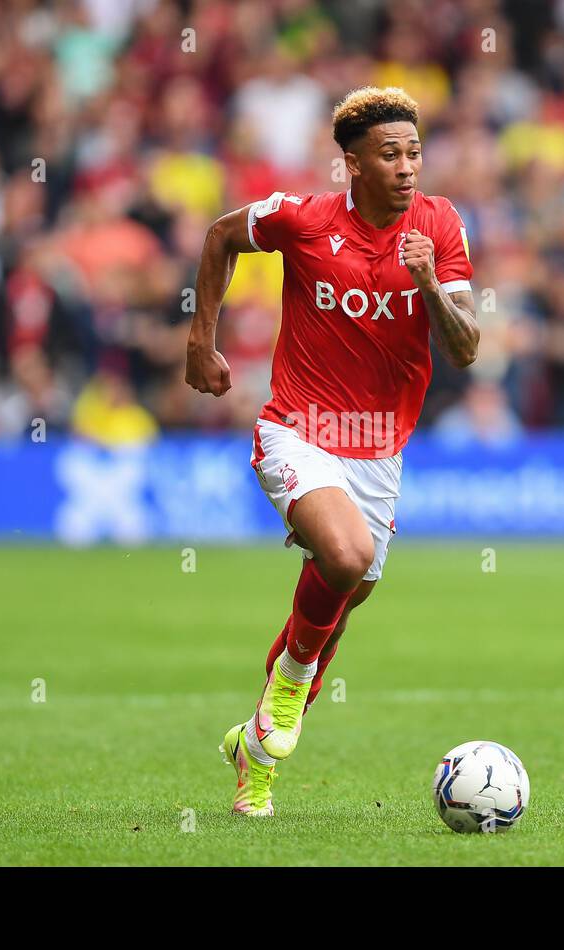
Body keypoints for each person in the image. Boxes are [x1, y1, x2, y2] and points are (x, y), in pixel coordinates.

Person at [185, 87, 479, 816]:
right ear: (352, 164)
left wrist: (427, 284)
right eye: (390, 154)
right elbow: (221, 234)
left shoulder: (439, 226)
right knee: (343, 560)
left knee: (343, 601)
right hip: (297, 428)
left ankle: (256, 752)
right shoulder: (305, 220)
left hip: (380, 452)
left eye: (414, 151)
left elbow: (467, 348)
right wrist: (200, 337)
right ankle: (285, 689)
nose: (408, 167)